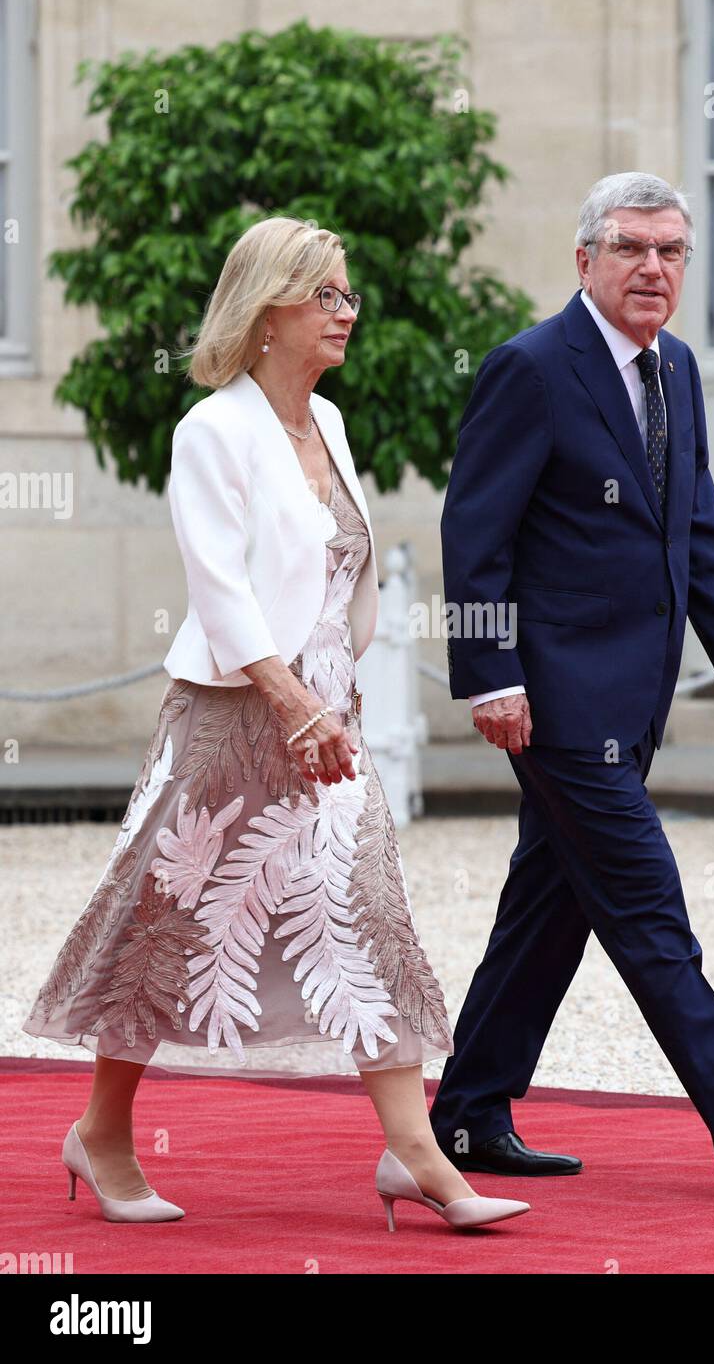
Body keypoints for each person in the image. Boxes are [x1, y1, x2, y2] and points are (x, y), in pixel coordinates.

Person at [22, 217, 529, 1233]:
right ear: (265, 313)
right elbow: (219, 591)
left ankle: (415, 1152)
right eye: (327, 296)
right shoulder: (211, 431)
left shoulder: (330, 423)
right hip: (231, 717)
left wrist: (330, 698)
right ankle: (102, 1132)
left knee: (365, 923)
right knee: (165, 926)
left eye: (349, 295)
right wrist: (290, 702)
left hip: (324, 719)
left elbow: (344, 573)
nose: (348, 312)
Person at [432, 172, 714, 1193]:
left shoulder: (675, 368)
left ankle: (462, 1115)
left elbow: (691, 524)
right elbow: (471, 534)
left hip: (634, 700)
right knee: (646, 907)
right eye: (630, 248)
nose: (652, 268)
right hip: (555, 706)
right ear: (584, 259)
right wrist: (489, 675)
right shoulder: (531, 368)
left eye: (670, 251)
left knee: (547, 907)